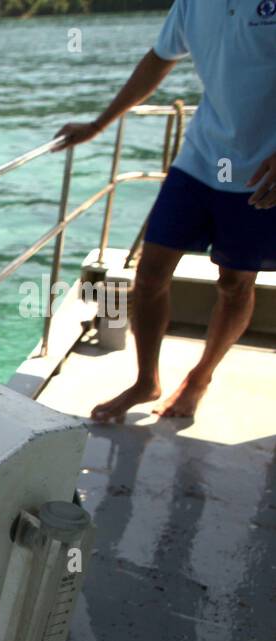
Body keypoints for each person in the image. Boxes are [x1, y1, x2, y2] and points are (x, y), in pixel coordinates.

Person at [54, 0, 276, 422]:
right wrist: (99, 124)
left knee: (235, 282)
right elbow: (159, 59)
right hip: (200, 157)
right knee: (150, 273)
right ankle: (146, 380)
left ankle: (200, 378)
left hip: (261, 169)